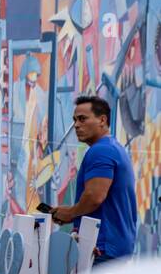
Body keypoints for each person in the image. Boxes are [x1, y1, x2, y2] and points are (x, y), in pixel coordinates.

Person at [50, 95, 137, 264]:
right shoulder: (113, 148)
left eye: (82, 119)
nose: (76, 125)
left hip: (102, 249)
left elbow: (94, 197)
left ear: (102, 120)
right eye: (75, 120)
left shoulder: (101, 151)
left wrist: (70, 213)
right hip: (112, 248)